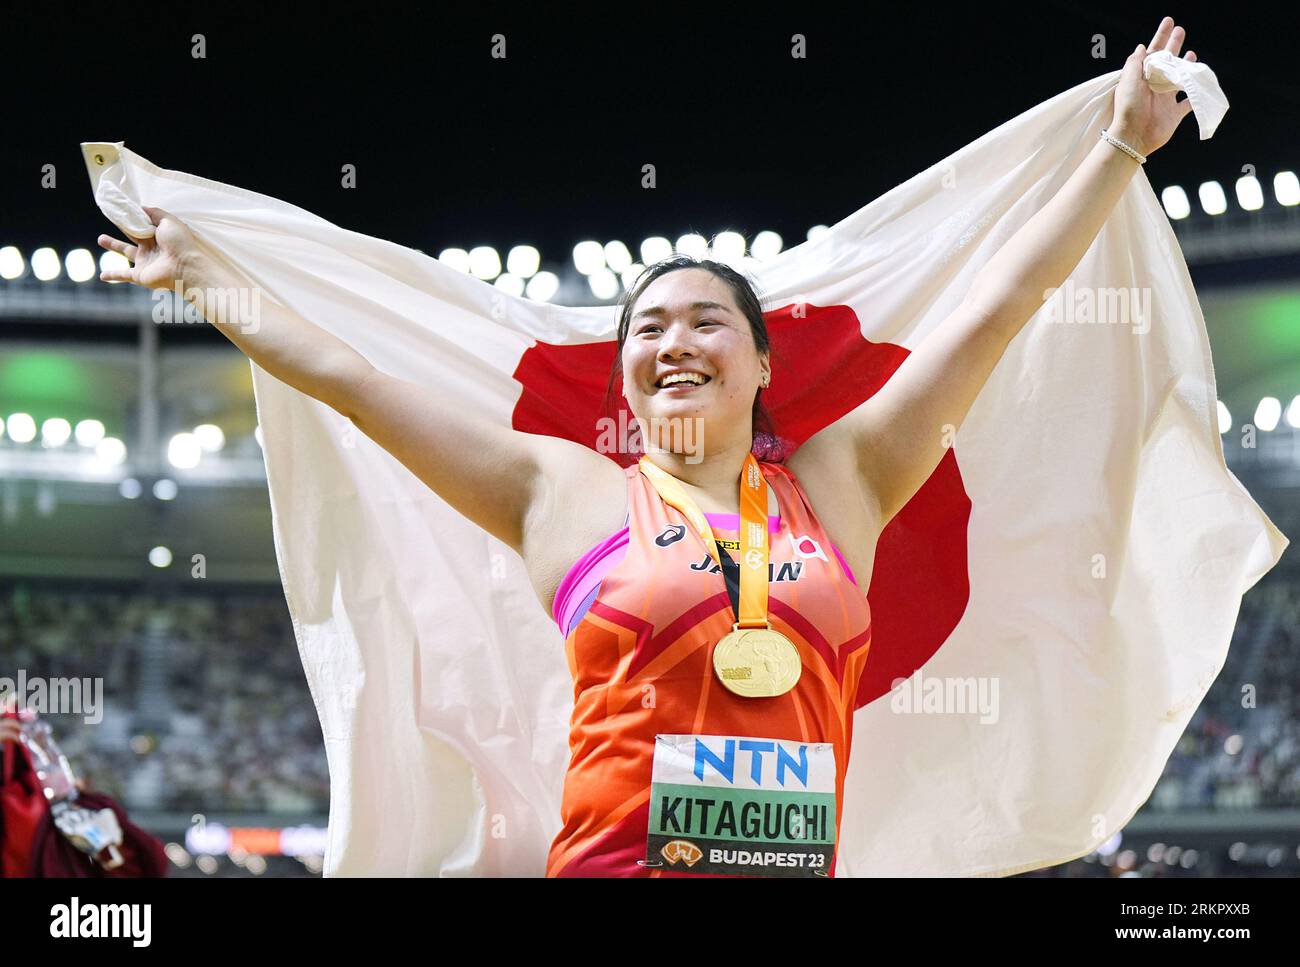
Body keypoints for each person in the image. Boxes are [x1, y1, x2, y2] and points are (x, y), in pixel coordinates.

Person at [97, 17, 1199, 877]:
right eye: (648, 327)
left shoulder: (845, 481)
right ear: (622, 366)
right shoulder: (557, 494)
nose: (674, 342)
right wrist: (216, 284)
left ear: (763, 364)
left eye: (707, 321)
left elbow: (999, 306)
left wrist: (1116, 145)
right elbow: (352, 379)